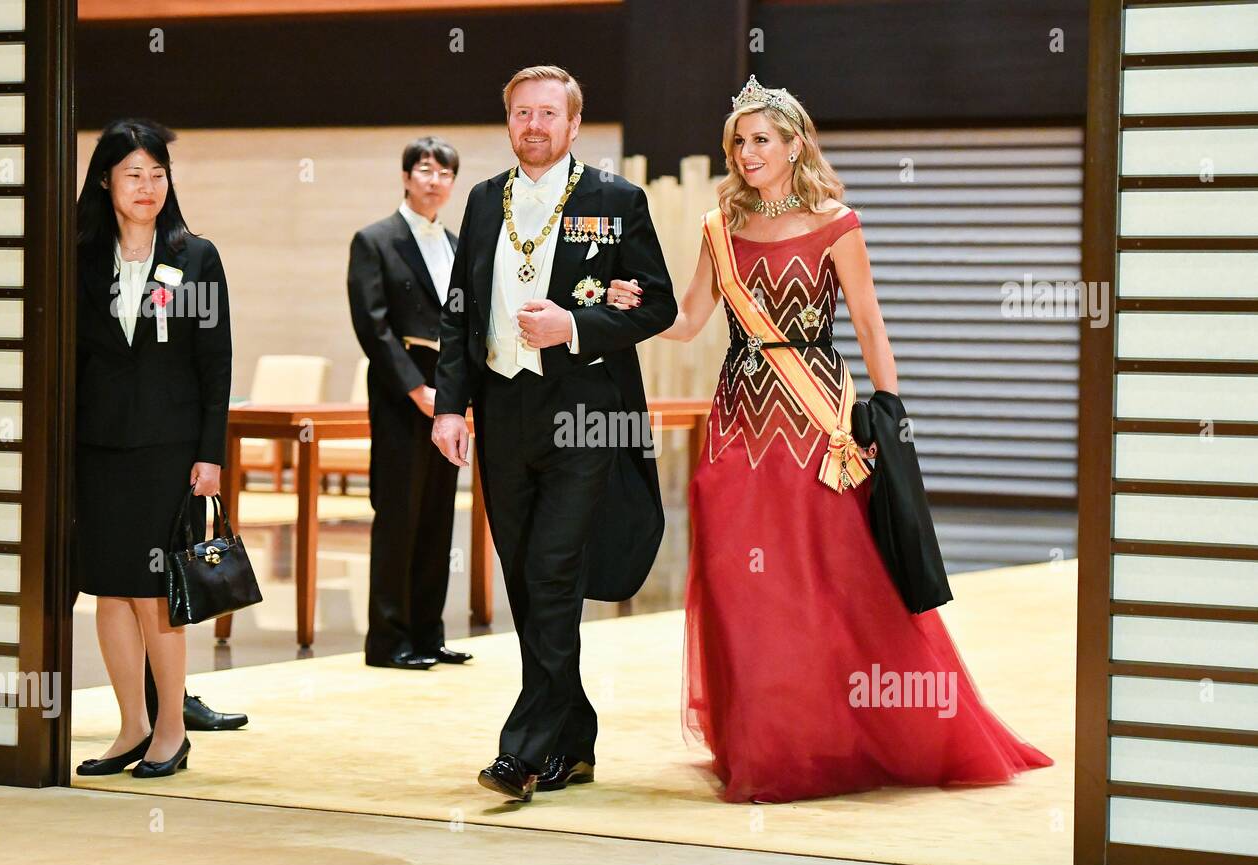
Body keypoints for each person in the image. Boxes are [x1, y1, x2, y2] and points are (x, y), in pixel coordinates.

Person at [608, 76, 1053, 803]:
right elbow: (689, 321)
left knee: (828, 584)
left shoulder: (837, 223)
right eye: (739, 142)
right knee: (737, 583)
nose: (747, 153)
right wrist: (633, 307)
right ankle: (763, 741)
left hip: (819, 427)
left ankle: (839, 736)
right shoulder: (720, 227)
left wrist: (892, 415)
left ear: (793, 145)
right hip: (737, 425)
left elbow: (871, 323)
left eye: (761, 140)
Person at [431, 65, 677, 802]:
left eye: (548, 114)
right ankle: (576, 735)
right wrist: (450, 405)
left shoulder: (615, 200)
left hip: (585, 412)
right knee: (526, 583)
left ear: (573, 125)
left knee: (553, 574)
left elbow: (656, 304)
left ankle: (523, 752)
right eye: (521, 114)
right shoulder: (481, 202)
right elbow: (458, 312)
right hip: (504, 413)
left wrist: (576, 324)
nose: (533, 126)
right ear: (508, 123)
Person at [73, 118, 240, 778]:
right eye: (132, 174)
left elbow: (215, 361)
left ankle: (172, 728)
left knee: (157, 592)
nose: (146, 186)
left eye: (156, 174)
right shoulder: (83, 255)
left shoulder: (194, 256)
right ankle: (130, 727)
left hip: (170, 451)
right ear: (106, 181)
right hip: (99, 445)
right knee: (111, 591)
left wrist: (210, 453)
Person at [347, 136, 474, 670]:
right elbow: (372, 326)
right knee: (398, 512)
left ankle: (427, 633)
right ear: (405, 177)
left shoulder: (453, 242)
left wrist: (461, 393)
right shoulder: (375, 239)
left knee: (438, 516)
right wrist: (415, 388)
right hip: (404, 388)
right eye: (425, 170)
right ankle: (388, 639)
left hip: (448, 385)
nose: (434, 180)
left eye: (445, 173)